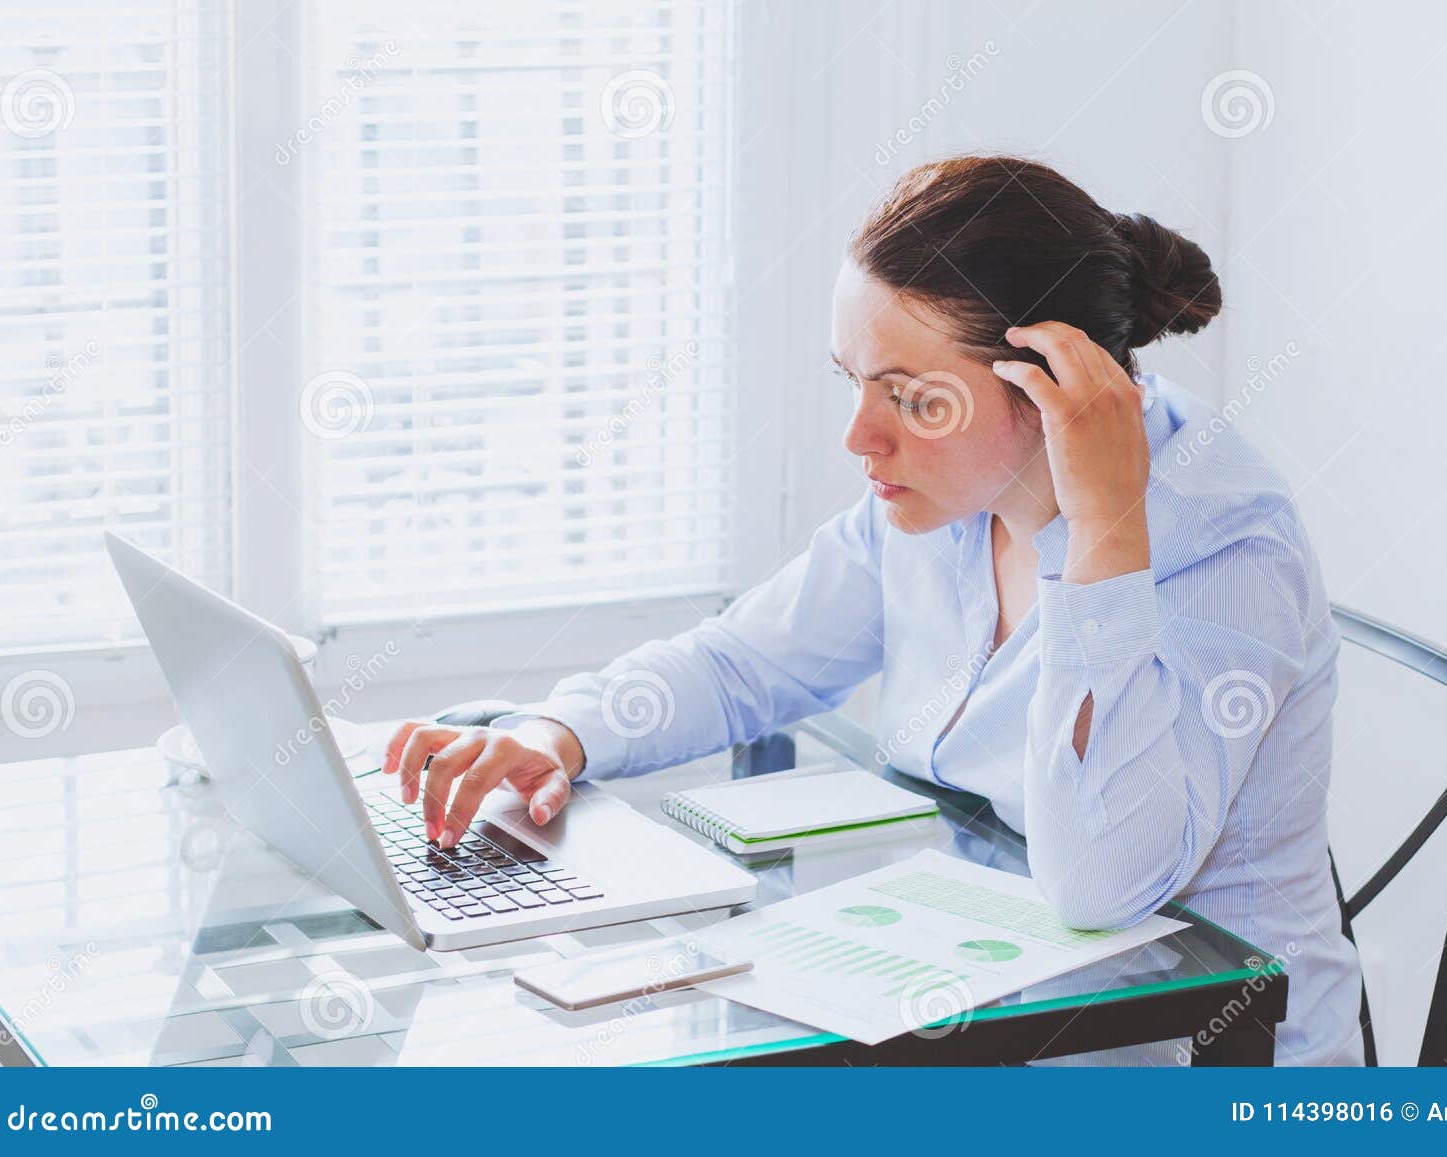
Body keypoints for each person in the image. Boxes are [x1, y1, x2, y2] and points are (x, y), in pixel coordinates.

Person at [379, 154, 1365, 1066]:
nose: (860, 436)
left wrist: (1102, 528)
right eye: (854, 383)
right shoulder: (942, 500)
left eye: (913, 398)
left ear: (1050, 391)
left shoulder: (1225, 544)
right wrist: (557, 734)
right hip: (982, 1002)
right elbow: (746, 662)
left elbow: (1100, 884)